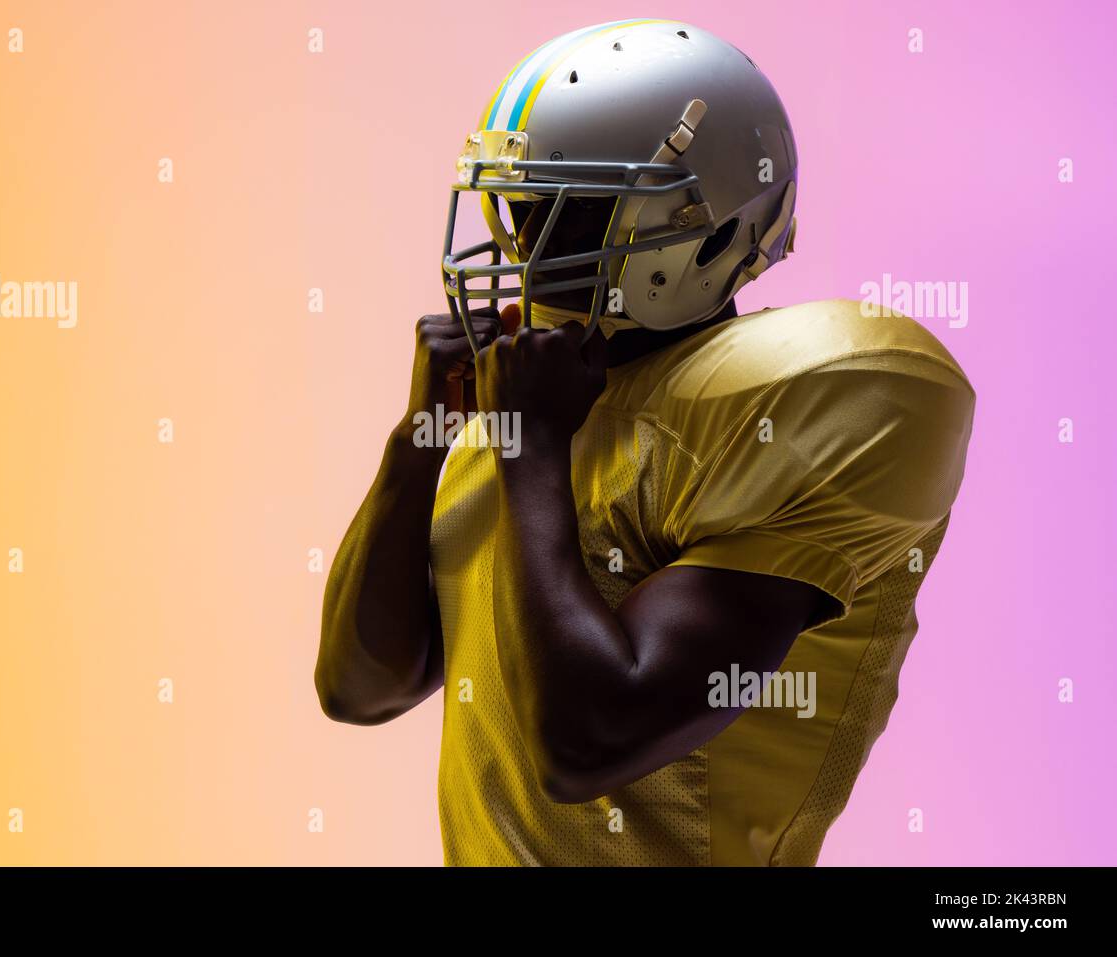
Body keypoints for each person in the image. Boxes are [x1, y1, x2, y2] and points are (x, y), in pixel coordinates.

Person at [315, 19, 975, 866]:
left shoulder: (801, 395)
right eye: (523, 205)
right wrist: (421, 440)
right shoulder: (531, 411)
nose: (530, 245)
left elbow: (588, 739)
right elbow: (358, 688)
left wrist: (532, 447)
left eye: (574, 210)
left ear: (711, 222)